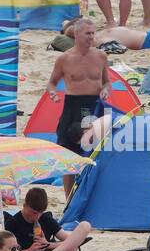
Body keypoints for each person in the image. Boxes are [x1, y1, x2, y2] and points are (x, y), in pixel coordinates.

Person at [45, 18, 110, 169]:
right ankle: (69, 194)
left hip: (95, 106)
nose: (91, 37)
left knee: (96, 154)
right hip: (73, 106)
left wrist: (106, 89)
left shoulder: (101, 56)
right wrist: (53, 93)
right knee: (69, 158)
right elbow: (51, 83)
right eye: (87, 33)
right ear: (77, 34)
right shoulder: (64, 58)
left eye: (93, 33)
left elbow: (107, 82)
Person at [3, 186, 92, 251]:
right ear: (24, 205)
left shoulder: (45, 218)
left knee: (85, 226)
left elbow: (72, 241)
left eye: (40, 213)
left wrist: (48, 245)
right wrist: (30, 250)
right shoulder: (13, 223)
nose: (37, 217)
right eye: (34, 212)